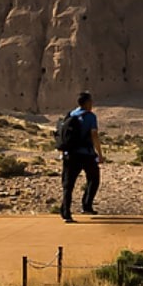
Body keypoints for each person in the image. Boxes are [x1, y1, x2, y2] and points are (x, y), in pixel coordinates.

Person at [54, 90, 101, 220]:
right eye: (91, 101)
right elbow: (94, 135)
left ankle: (66, 213)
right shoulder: (90, 116)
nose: (92, 103)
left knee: (68, 185)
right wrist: (100, 154)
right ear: (86, 103)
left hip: (69, 154)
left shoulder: (70, 114)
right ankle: (87, 206)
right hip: (86, 154)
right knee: (94, 179)